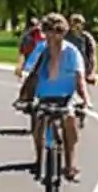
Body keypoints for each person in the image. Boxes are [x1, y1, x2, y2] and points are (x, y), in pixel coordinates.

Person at [22, 13, 91, 182]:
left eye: (57, 32)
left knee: (69, 120)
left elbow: (79, 80)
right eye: (48, 32)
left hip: (66, 96)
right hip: (43, 95)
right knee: (38, 124)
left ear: (63, 32)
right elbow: (31, 75)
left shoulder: (72, 52)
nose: (53, 36)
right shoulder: (40, 50)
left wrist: (85, 100)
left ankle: (70, 165)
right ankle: (40, 161)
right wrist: (25, 98)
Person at [65, 13, 98, 85]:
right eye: (74, 22)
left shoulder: (87, 37)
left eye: (79, 22)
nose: (77, 25)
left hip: (83, 69)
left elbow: (93, 56)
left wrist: (92, 73)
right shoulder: (64, 36)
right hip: (67, 70)